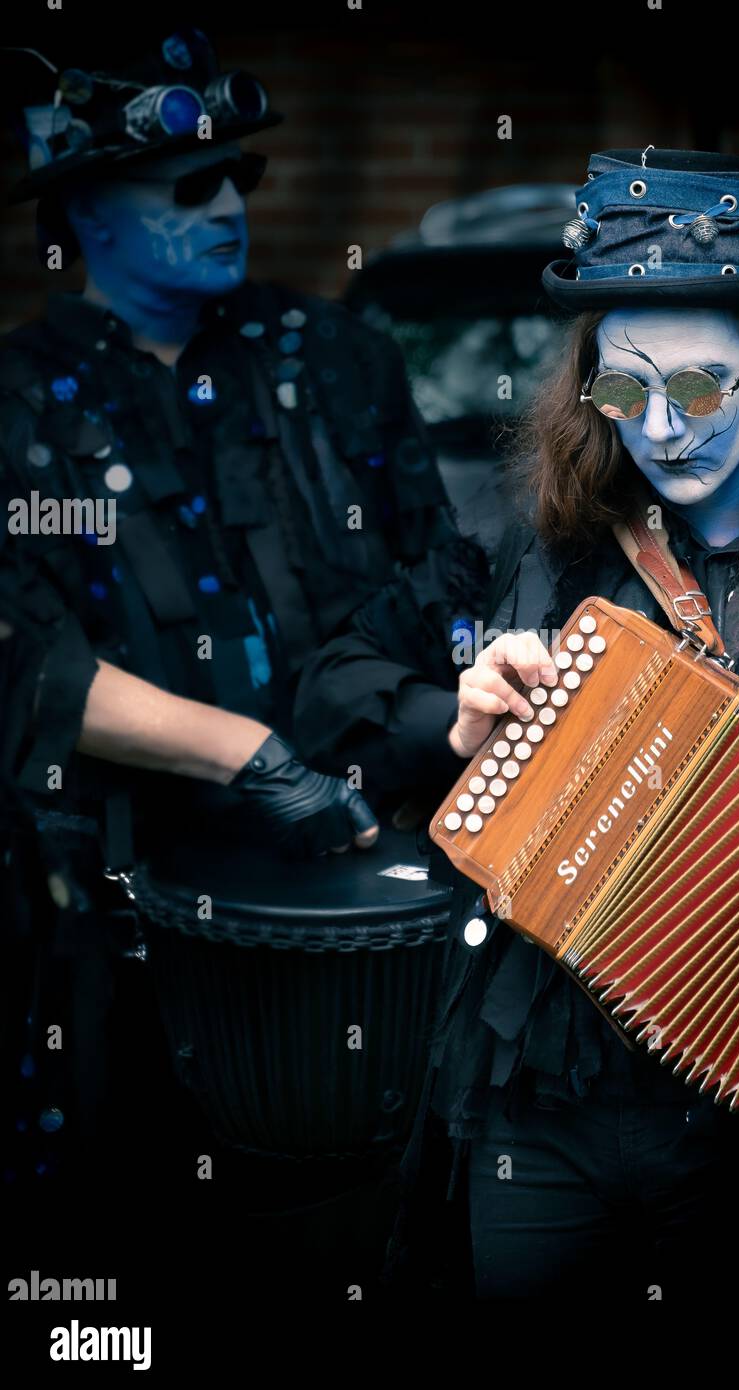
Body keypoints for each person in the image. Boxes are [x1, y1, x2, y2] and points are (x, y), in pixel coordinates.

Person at [329, 148, 739, 1300]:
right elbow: (336, 678)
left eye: (698, 388)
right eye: (621, 388)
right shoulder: (535, 552)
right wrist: (452, 720)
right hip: (540, 1102)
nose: (659, 427)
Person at [0, 29, 485, 1158]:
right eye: (191, 183)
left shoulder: (333, 357)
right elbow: (22, 660)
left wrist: (426, 731)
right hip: (115, 901)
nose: (228, 204)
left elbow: (437, 575)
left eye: (240, 177)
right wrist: (250, 756)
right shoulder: (20, 402)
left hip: (364, 864)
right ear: (89, 217)